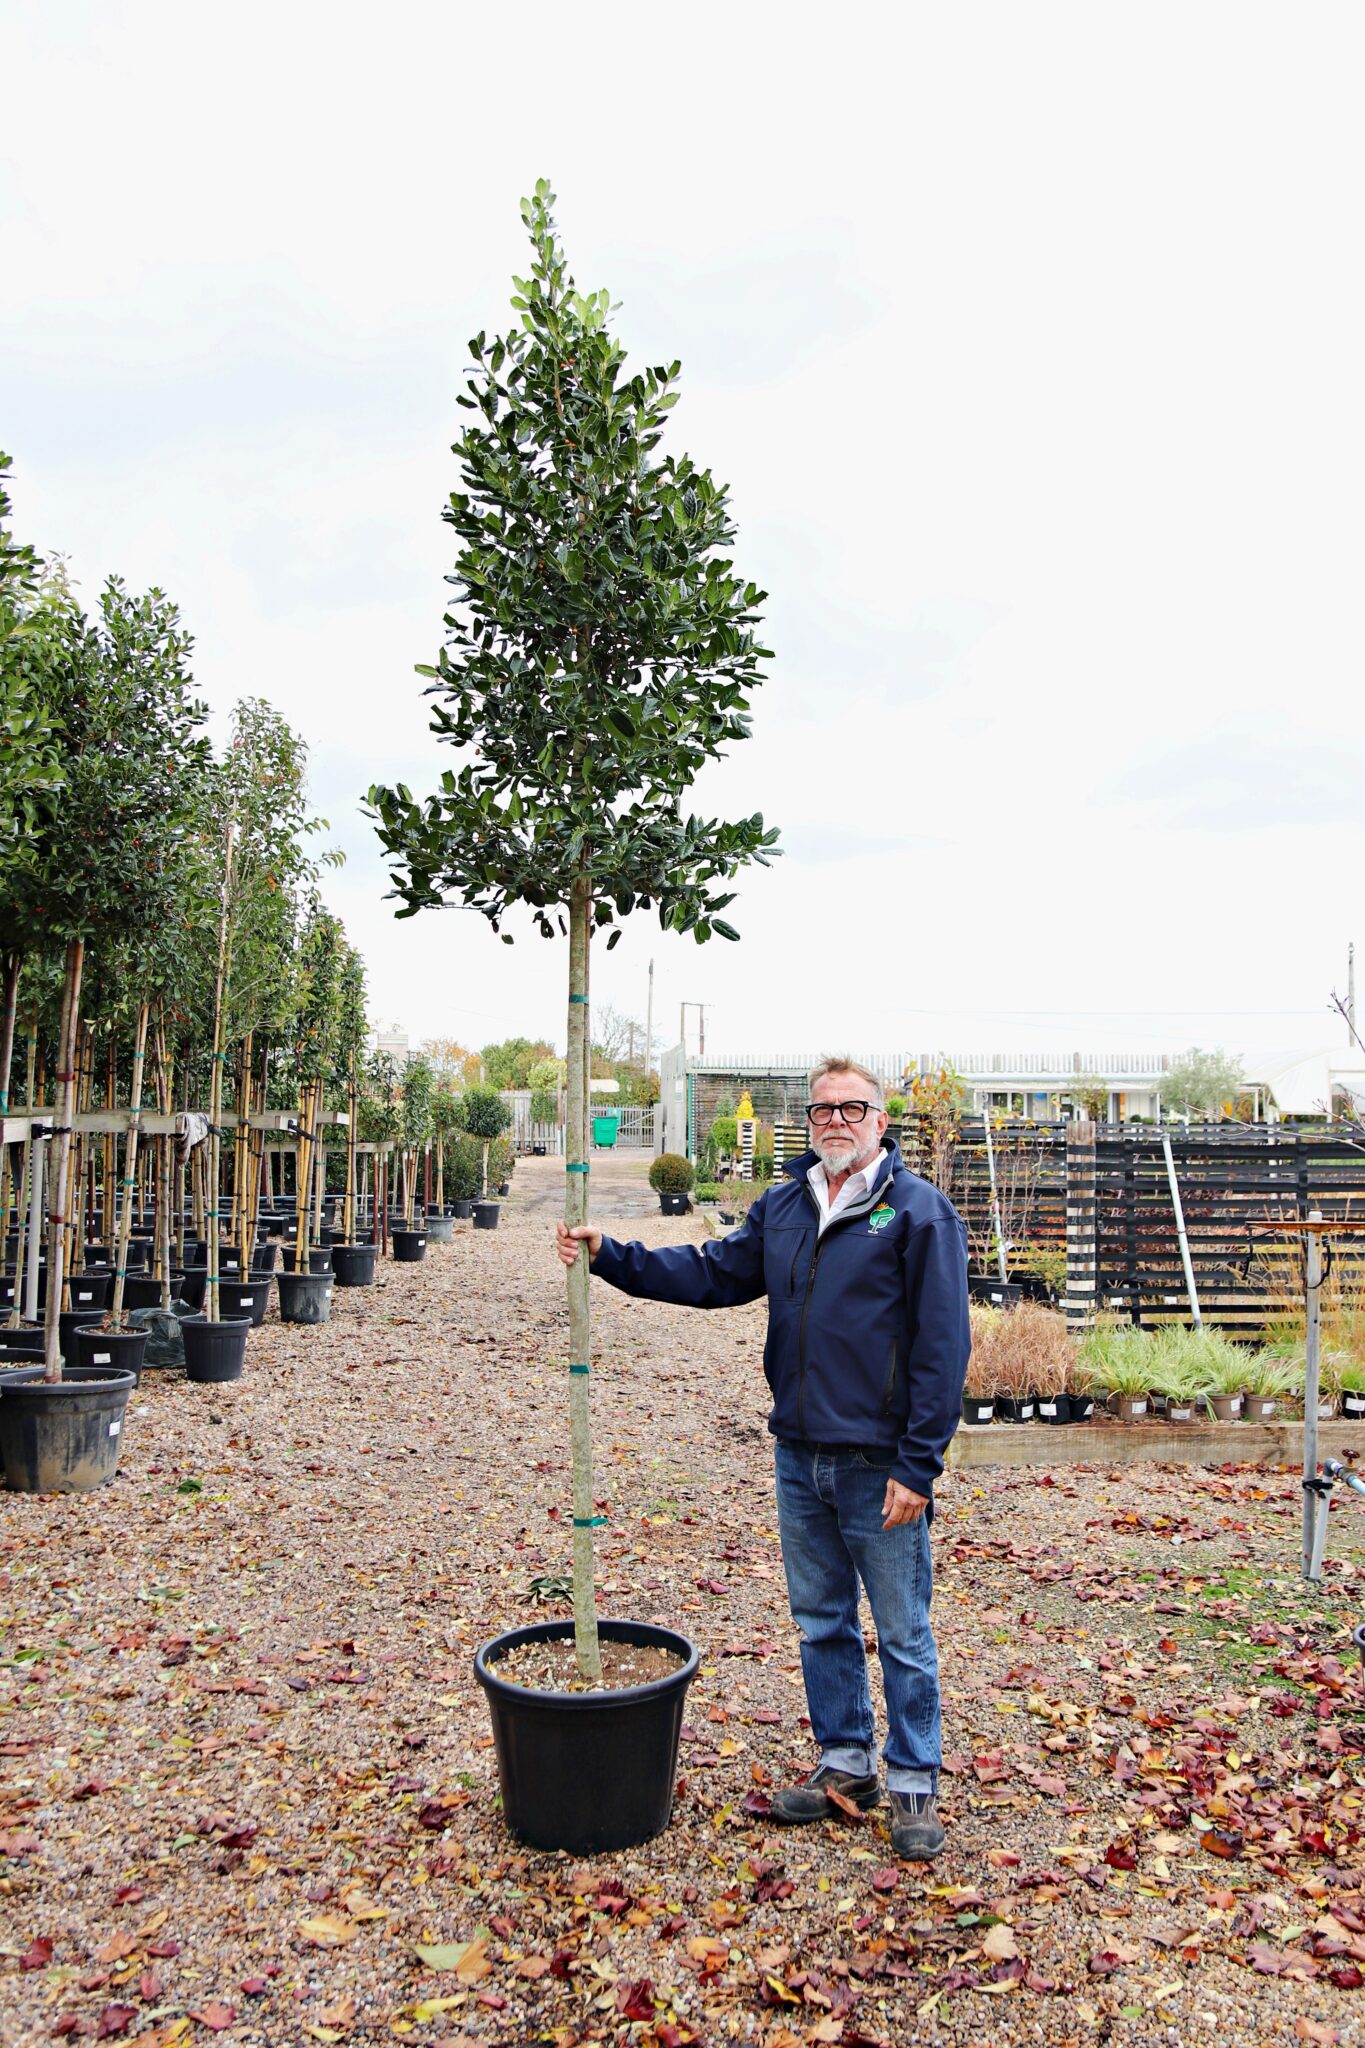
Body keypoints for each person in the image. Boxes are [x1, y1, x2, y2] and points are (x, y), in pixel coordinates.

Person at [555, 1054, 970, 1860]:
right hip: (798, 1454)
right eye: (821, 1111)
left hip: (878, 1462)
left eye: (851, 1109)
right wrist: (611, 1254)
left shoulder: (917, 1213)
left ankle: (914, 1780)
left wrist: (918, 1465)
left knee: (902, 1631)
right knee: (820, 1623)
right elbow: (712, 1274)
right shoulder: (785, 1205)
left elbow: (941, 1350)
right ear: (807, 1124)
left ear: (881, 1122)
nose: (835, 1123)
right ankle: (845, 1765)